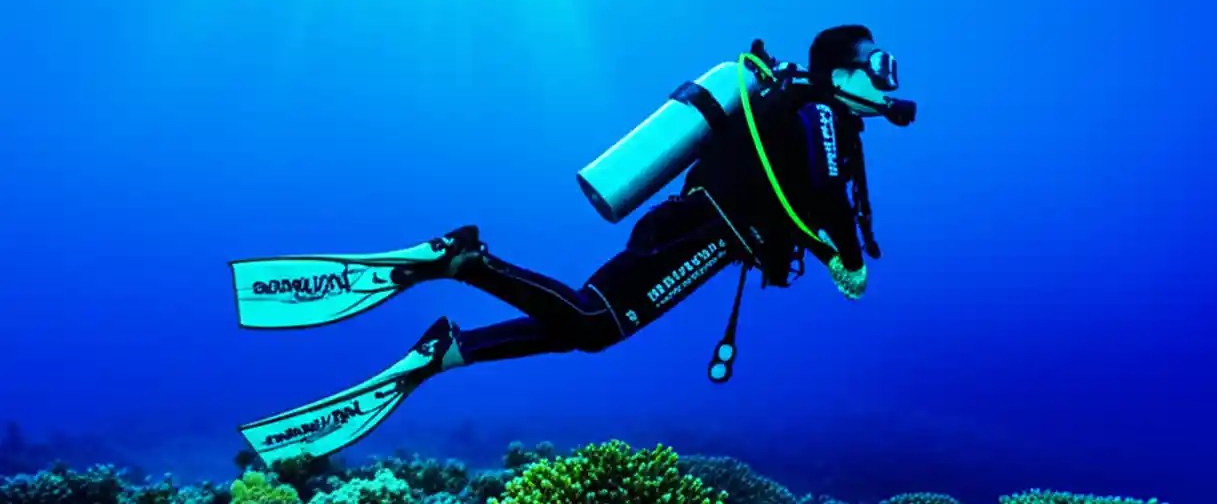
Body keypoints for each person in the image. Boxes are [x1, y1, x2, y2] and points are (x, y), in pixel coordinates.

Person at [228, 25, 917, 465]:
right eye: (876, 67)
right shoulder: (821, 111)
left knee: (582, 330)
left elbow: (806, 197)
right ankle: (461, 261)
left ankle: (450, 350)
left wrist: (832, 252)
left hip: (696, 228)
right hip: (705, 233)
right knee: (594, 322)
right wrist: (847, 262)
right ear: (842, 73)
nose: (886, 82)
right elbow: (825, 199)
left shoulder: (806, 107)